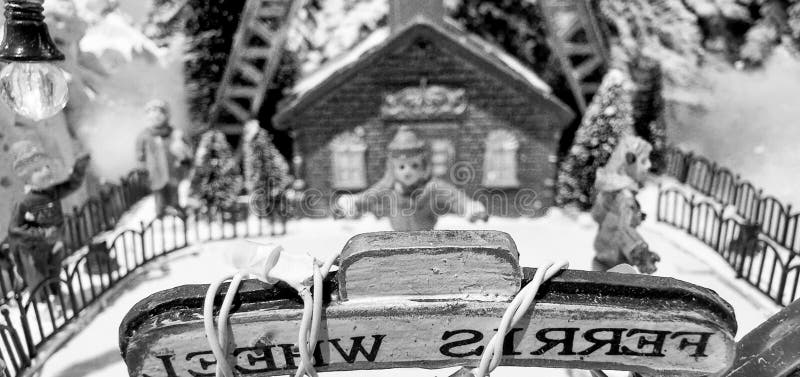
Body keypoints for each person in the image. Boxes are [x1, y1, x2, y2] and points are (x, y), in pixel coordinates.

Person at [336, 126, 487, 231]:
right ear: (392, 168)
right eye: (401, 167)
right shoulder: (388, 187)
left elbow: (454, 196)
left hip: (426, 240)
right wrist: (351, 203)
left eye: (414, 165)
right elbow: (368, 197)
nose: (407, 172)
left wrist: (470, 208)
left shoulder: (432, 187)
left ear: (423, 166)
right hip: (397, 240)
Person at [7, 140, 90, 300]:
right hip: (35, 248)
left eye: (47, 167)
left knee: (55, 270)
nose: (46, 172)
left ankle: (57, 294)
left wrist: (80, 165)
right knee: (39, 276)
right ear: (27, 178)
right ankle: (44, 303)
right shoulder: (25, 202)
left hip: (55, 242)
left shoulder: (52, 192)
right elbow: (15, 229)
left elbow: (72, 184)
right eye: (38, 170)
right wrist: (42, 233)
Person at [591, 135, 660, 274]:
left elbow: (599, 215)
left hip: (603, 256)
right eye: (644, 161)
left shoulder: (611, 190)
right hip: (616, 263)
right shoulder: (625, 197)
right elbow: (625, 229)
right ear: (629, 163)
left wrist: (634, 216)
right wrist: (641, 254)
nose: (649, 166)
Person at [135, 100, 193, 217]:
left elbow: (184, 146)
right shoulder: (145, 135)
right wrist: (142, 166)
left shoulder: (173, 132)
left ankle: (175, 207)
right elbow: (140, 153)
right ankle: (160, 210)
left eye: (159, 112)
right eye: (152, 112)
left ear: (166, 115)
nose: (156, 116)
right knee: (159, 191)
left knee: (173, 188)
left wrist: (184, 157)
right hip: (155, 169)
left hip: (172, 167)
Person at [241, 119, 291, 217]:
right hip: (266, 181)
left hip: (268, 181)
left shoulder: (259, 146)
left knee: (272, 199)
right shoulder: (257, 147)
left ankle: (274, 216)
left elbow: (263, 162)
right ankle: (271, 216)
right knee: (267, 200)